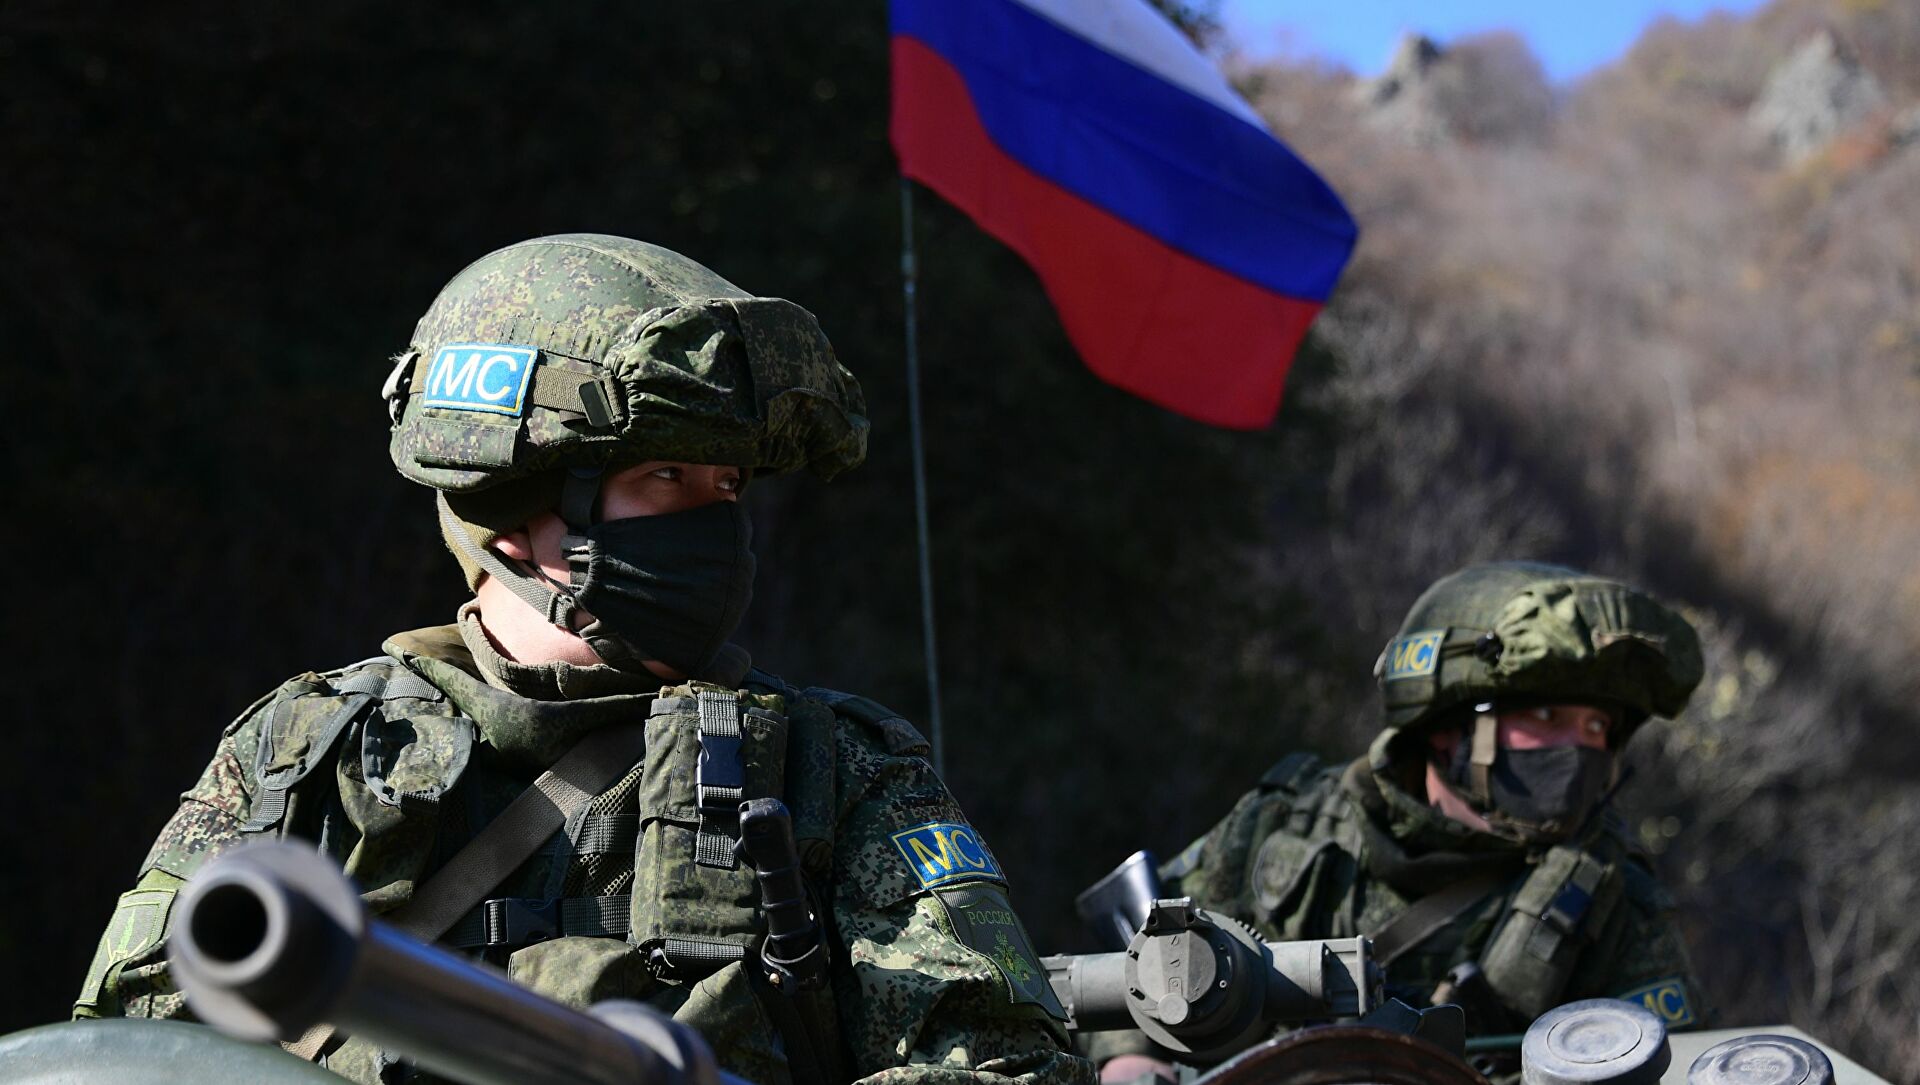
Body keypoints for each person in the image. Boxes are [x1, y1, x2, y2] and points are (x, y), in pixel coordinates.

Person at [74, 234, 1092, 1085]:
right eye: (665, 476)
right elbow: (132, 1052)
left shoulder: (839, 767)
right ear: (513, 505)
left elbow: (1000, 1061)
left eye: (726, 483)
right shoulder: (311, 751)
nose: (715, 522)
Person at [1097, 561, 1706, 1082]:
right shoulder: (1284, 823)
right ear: (1448, 727)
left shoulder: (1612, 894)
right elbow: (1136, 968)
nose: (1577, 749)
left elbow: (1667, 1062)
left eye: (1596, 727)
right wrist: (1130, 1062)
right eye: (1546, 715)